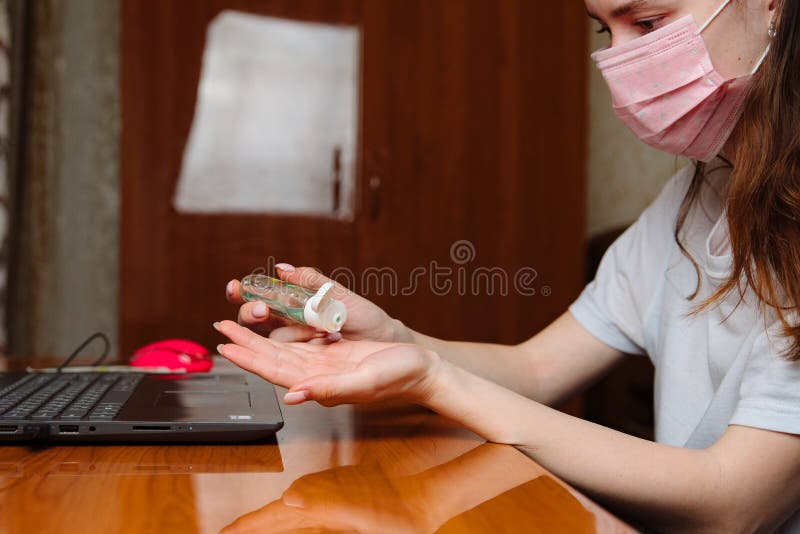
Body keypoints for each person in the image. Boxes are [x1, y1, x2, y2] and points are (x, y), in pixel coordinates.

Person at [215, 0, 800, 531]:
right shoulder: (694, 201)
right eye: (605, 30)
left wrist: (433, 379)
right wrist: (396, 340)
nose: (617, 59)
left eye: (646, 23)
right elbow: (538, 368)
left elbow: (734, 503)